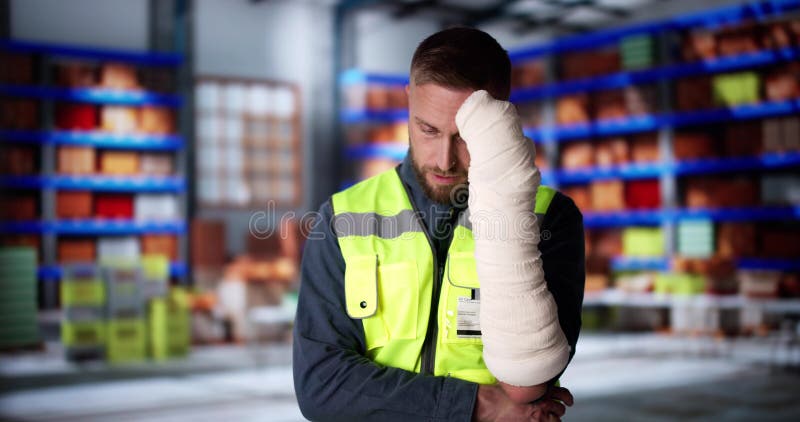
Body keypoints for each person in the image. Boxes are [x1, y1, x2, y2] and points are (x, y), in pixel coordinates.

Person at [293, 27, 585, 421]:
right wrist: (478, 406)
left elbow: (529, 379)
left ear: (501, 119)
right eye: (428, 129)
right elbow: (321, 385)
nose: (444, 160)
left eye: (464, 137)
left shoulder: (549, 219)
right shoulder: (341, 219)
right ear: (409, 101)